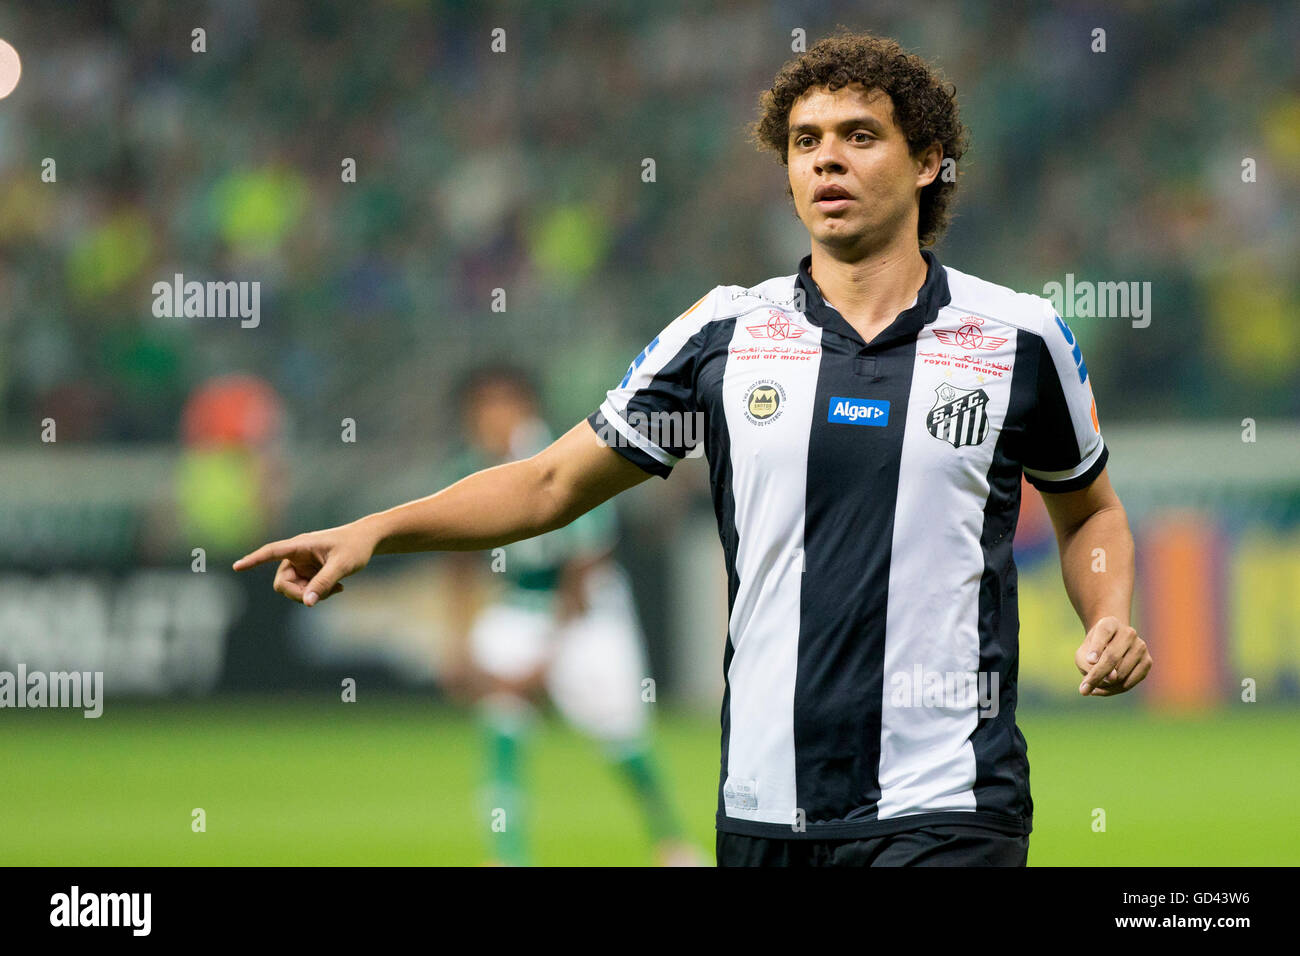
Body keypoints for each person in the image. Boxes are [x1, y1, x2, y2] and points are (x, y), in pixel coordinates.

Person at [234, 30, 1152, 868]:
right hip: (763, 806)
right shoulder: (724, 335)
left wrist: (1106, 606)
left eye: (860, 135)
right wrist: (375, 531)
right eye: (805, 140)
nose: (827, 155)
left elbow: (1091, 508)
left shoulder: (1017, 339)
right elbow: (551, 483)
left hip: (952, 800)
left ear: (929, 163)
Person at [438, 364, 702, 866]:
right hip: (518, 605)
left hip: (586, 612)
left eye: (502, 404)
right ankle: (509, 856)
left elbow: (585, 565)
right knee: (502, 722)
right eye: (481, 407)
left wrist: (545, 658)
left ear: (525, 408)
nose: (490, 417)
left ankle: (671, 842)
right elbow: (457, 562)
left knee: (621, 731)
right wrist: (457, 643)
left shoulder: (555, 457)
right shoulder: (467, 465)